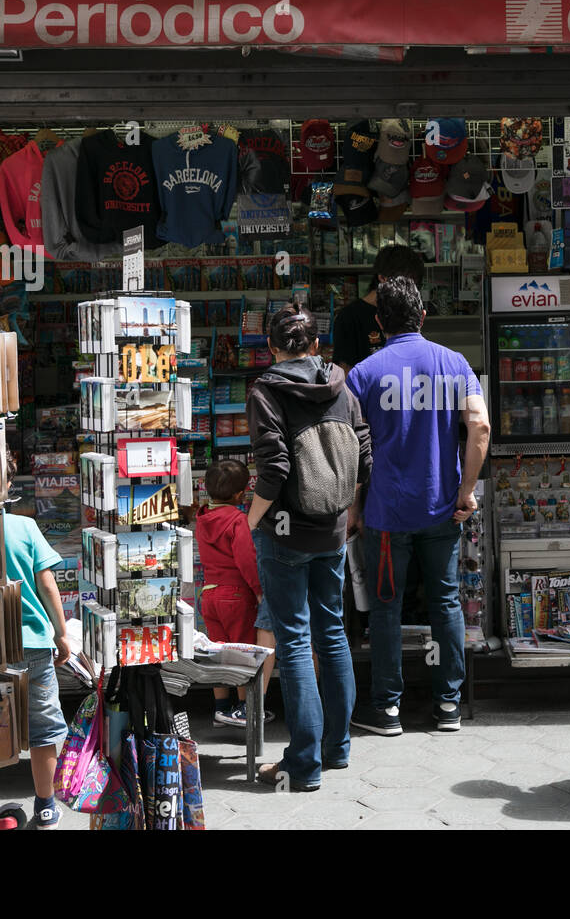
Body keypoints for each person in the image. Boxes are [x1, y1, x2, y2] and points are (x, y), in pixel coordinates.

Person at [346, 275, 491, 736]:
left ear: (378, 321)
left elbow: (349, 447)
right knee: (445, 602)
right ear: (423, 316)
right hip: (442, 506)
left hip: (386, 513)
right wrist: (466, 489)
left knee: (385, 607)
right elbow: (480, 428)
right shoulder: (455, 364)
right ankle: (448, 705)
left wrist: (353, 508)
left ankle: (387, 709)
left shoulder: (363, 374)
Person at [246, 303, 371, 791]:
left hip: (284, 531)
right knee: (333, 634)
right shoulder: (341, 385)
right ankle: (336, 749)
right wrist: (349, 509)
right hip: (332, 526)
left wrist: (251, 519)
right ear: (315, 346)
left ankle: (303, 764)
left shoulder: (266, 391)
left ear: (273, 349)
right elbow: (364, 450)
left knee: (295, 641)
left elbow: (274, 468)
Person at [0, 452, 70, 829]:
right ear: (9, 486)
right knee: (43, 729)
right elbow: (47, 585)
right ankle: (45, 806)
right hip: (32, 645)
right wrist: (61, 634)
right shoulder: (25, 528)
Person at [194, 459, 274, 728]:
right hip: (236, 596)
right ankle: (243, 708)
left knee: (219, 653)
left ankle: (220, 709)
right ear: (241, 494)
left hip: (209, 595)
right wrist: (259, 591)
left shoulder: (202, 518)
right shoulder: (237, 521)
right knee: (242, 655)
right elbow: (246, 560)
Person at [332, 244, 425, 373]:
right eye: (403, 283)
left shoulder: (407, 311)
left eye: (415, 285)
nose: (410, 291)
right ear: (382, 277)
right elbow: (344, 373)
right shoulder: (349, 317)